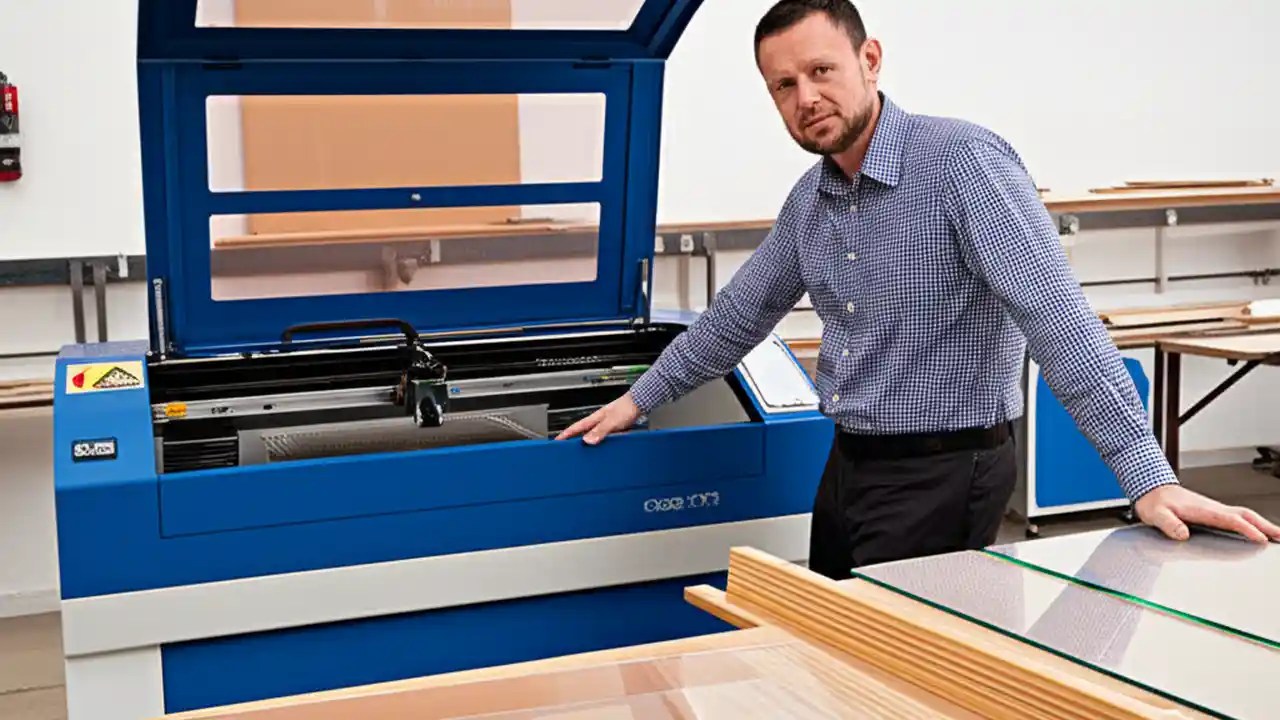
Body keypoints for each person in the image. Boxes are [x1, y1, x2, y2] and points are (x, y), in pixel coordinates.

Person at [557, 0, 1280, 577]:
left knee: (903, 676)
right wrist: (636, 399)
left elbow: (1059, 324)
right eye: (784, 85)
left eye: (821, 70)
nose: (806, 98)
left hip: (946, 469)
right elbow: (736, 317)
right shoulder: (811, 200)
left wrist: (1146, 477)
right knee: (834, 653)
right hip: (848, 464)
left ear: (870, 60)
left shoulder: (963, 164)